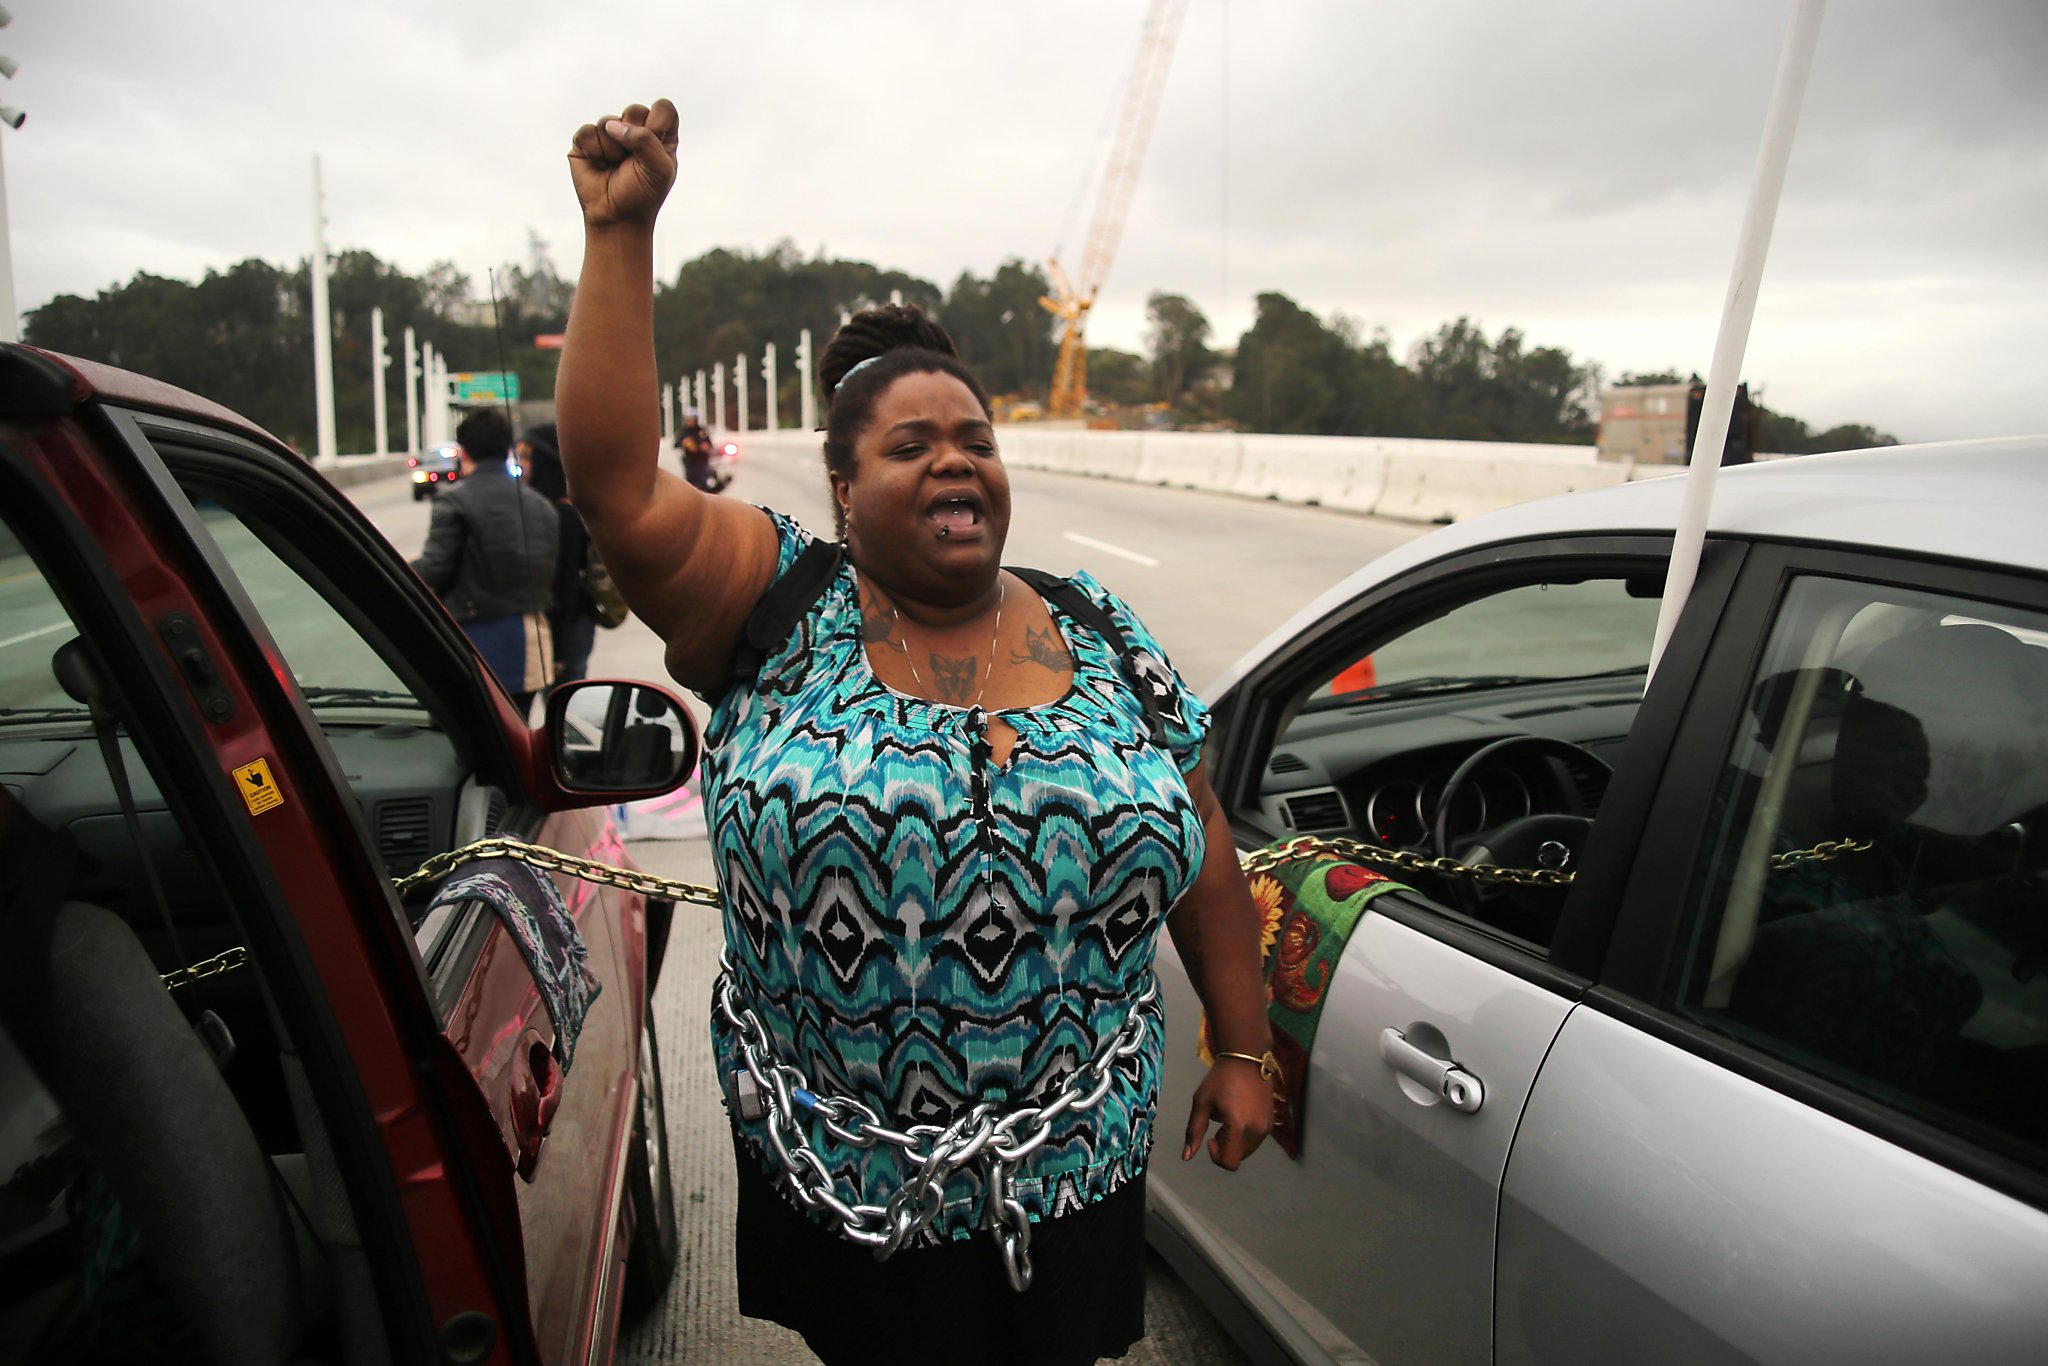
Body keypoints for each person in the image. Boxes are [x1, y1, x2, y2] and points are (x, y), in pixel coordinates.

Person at [557, 100, 1274, 1366]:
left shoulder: (1096, 624)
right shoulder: (775, 601)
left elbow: (1200, 837)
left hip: (1078, 1169)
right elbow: (615, 483)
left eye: (975, 441)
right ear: (842, 486)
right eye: (910, 446)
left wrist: (1243, 1043)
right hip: (852, 1182)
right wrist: (623, 235)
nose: (955, 462)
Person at [411, 409, 559, 715]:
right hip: (533, 644)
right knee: (516, 729)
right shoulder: (542, 506)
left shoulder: (453, 500)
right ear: (508, 449)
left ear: (463, 452)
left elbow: (434, 569)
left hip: (475, 638)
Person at [517, 422, 601, 684]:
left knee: (561, 708)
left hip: (568, 628)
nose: (521, 465)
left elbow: (564, 585)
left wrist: (558, 653)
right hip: (554, 628)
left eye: (527, 457)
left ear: (547, 461)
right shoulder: (536, 507)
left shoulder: (564, 514)